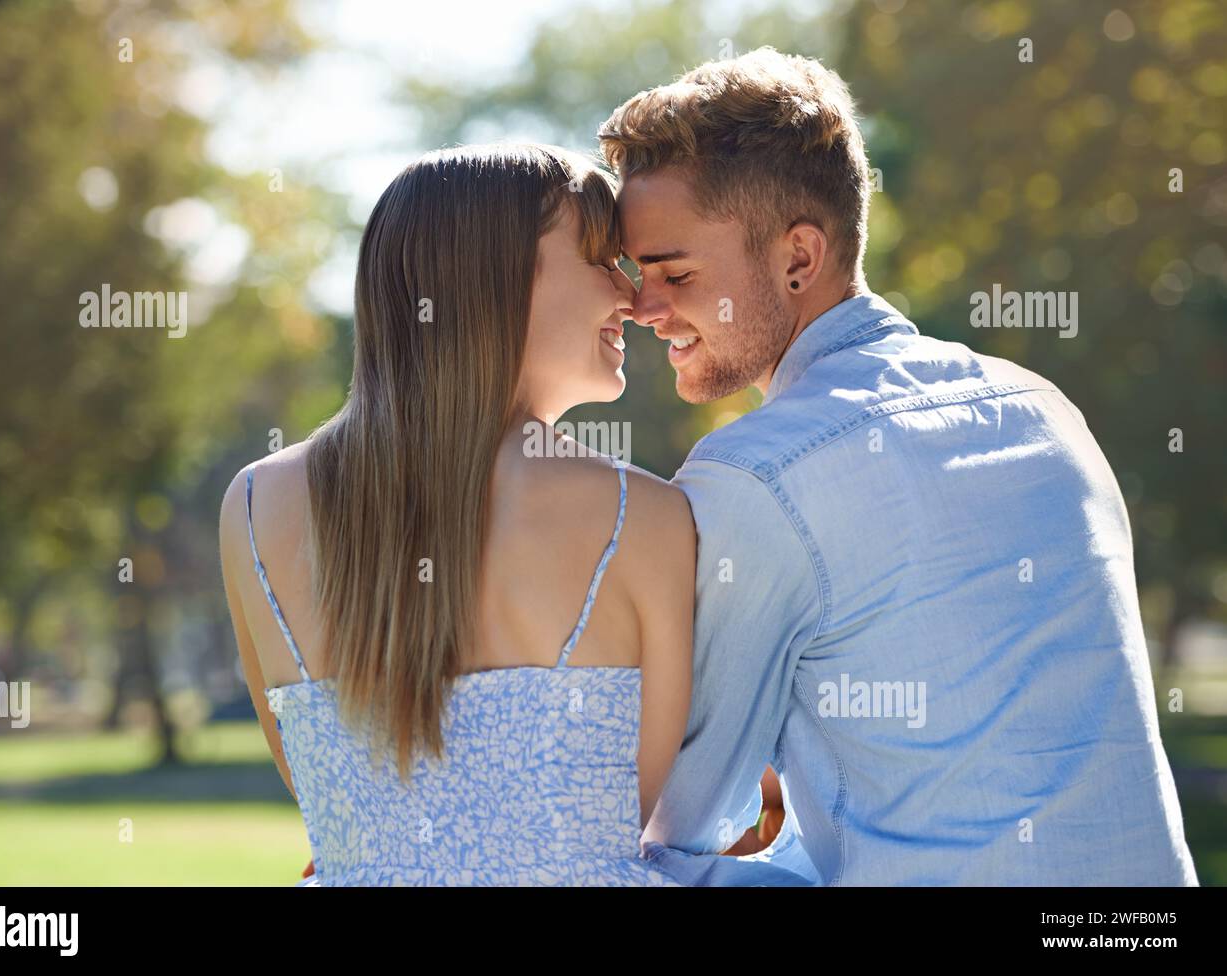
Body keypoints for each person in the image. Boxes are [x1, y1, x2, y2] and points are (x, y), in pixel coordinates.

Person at [599, 47, 1199, 885]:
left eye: (675, 272)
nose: (642, 308)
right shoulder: (1046, 410)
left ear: (798, 259)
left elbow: (681, 816)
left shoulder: (754, 477)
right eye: (636, 276)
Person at [219, 144, 701, 885]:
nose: (632, 296)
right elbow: (631, 809)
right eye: (602, 260)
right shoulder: (648, 517)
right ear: (499, 280)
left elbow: (323, 801)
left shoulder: (253, 507)